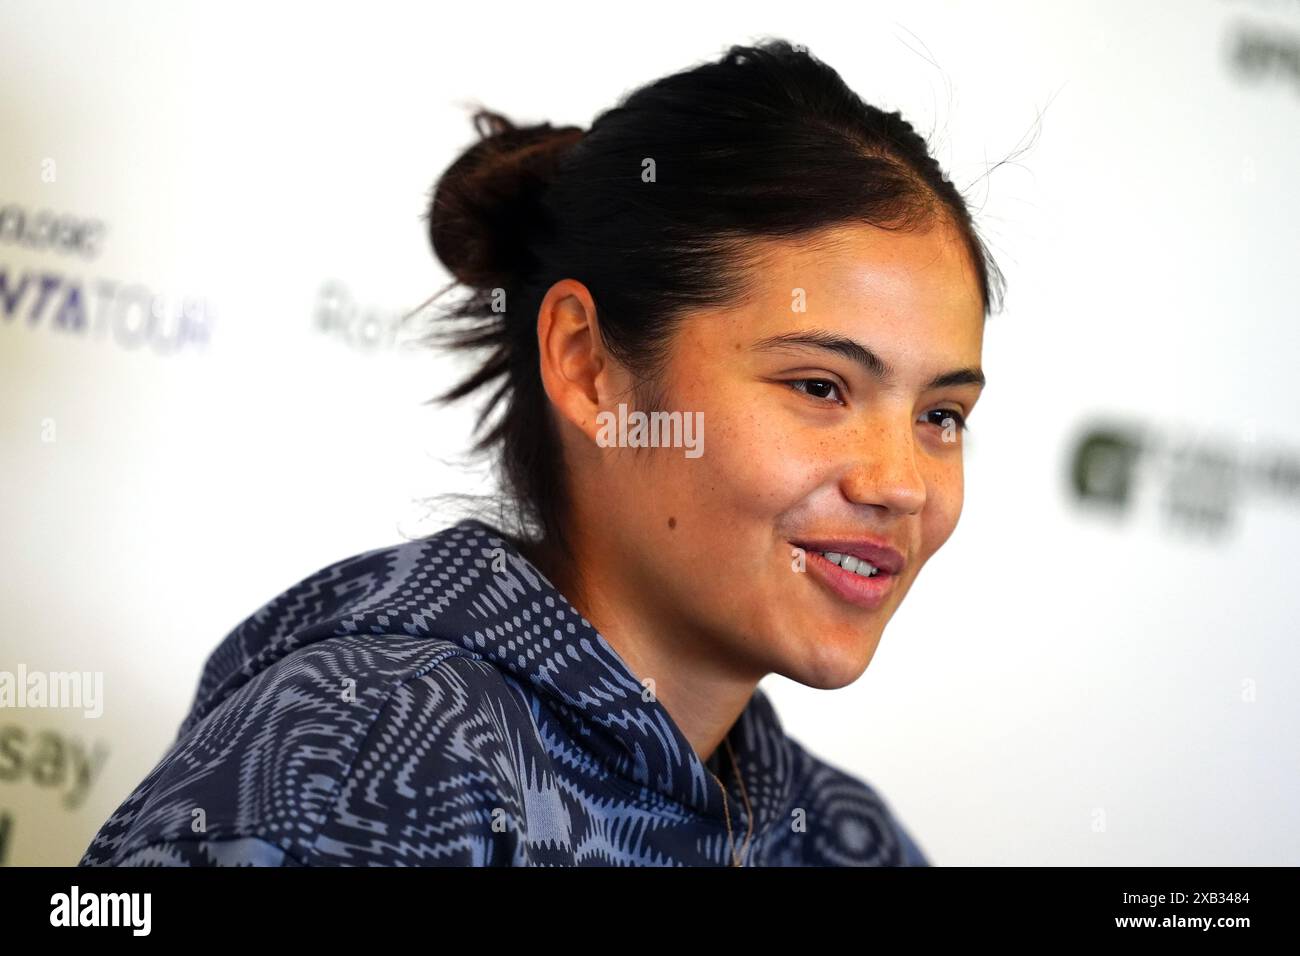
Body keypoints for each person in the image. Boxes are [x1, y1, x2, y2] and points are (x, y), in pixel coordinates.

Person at [79, 37, 1001, 867]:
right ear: (587, 365)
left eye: (942, 416)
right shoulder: (363, 760)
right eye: (819, 387)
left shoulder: (850, 842)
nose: (900, 485)